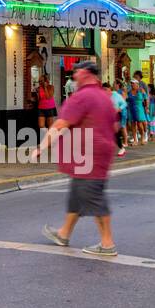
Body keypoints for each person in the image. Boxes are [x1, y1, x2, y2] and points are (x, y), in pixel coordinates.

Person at [37, 61, 118, 256]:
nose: (73, 77)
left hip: (88, 155)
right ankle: (64, 233)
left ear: (85, 73)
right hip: (97, 153)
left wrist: (41, 146)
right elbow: (115, 126)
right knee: (77, 194)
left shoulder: (82, 96)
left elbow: (60, 124)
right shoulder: (105, 96)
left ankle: (107, 244)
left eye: (76, 72)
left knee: (94, 197)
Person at [110, 80, 128, 157]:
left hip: (121, 113)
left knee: (122, 127)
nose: (113, 84)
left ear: (118, 84)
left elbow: (124, 102)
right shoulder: (113, 92)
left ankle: (125, 143)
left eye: (114, 83)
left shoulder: (120, 92)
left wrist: (119, 109)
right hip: (113, 114)